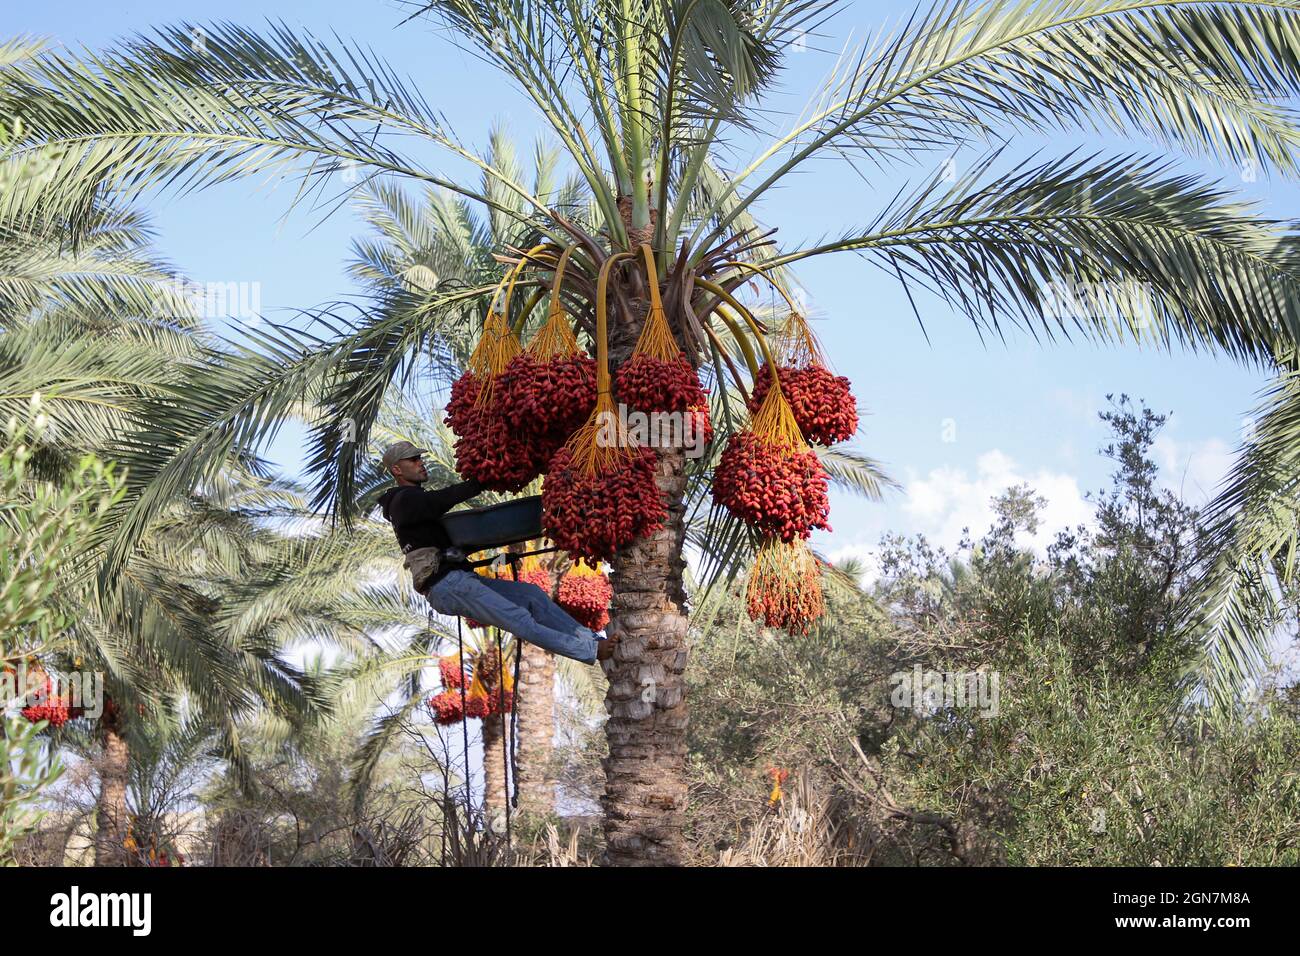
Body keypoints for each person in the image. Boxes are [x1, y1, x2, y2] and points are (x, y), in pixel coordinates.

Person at [376, 441, 607, 664]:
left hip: (458, 579)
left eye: (420, 458)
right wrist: (484, 479)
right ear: (397, 469)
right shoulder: (404, 500)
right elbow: (443, 500)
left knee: (531, 595)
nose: (420, 463)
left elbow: (448, 538)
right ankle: (592, 650)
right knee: (517, 618)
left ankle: (591, 639)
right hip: (446, 584)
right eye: (413, 460)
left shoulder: (412, 506)